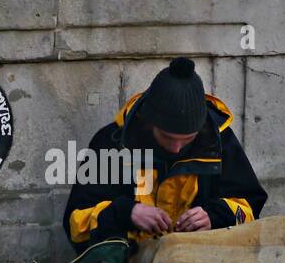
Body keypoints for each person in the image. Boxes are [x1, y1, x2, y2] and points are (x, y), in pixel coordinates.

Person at [64, 57, 267, 252]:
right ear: (149, 122)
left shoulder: (219, 142)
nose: (176, 148)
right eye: (167, 137)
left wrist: (215, 216)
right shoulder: (112, 144)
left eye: (188, 138)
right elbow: (75, 226)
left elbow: (250, 208)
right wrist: (126, 213)